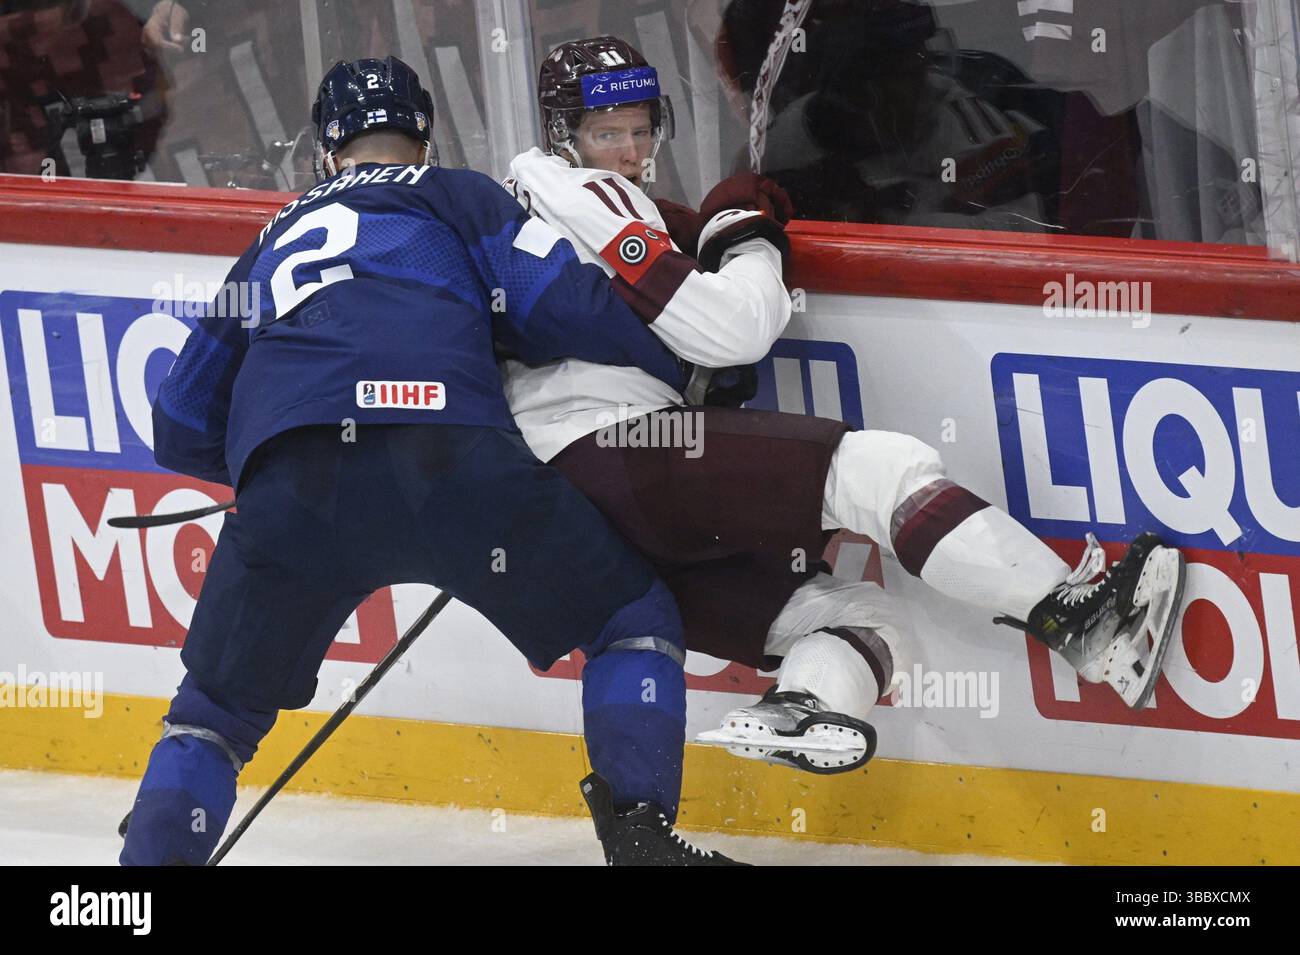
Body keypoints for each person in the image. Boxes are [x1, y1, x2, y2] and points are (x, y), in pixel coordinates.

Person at [500, 35, 1187, 781]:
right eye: (608, 134)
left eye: (640, 130)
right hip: (603, 453)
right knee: (881, 471)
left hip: (573, 519)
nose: (630, 151)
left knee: (861, 617)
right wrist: (747, 237)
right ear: (563, 136)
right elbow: (734, 329)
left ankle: (797, 705)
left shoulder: (540, 208)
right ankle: (1086, 619)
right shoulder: (574, 194)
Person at [120, 55, 741, 866]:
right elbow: (563, 304)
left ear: (322, 150)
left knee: (211, 713)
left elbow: (176, 421)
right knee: (628, 620)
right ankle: (639, 834)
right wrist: (688, 373)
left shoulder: (271, 239)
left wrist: (272, 447)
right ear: (426, 136)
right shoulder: (453, 196)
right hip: (452, 458)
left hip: (293, 489)